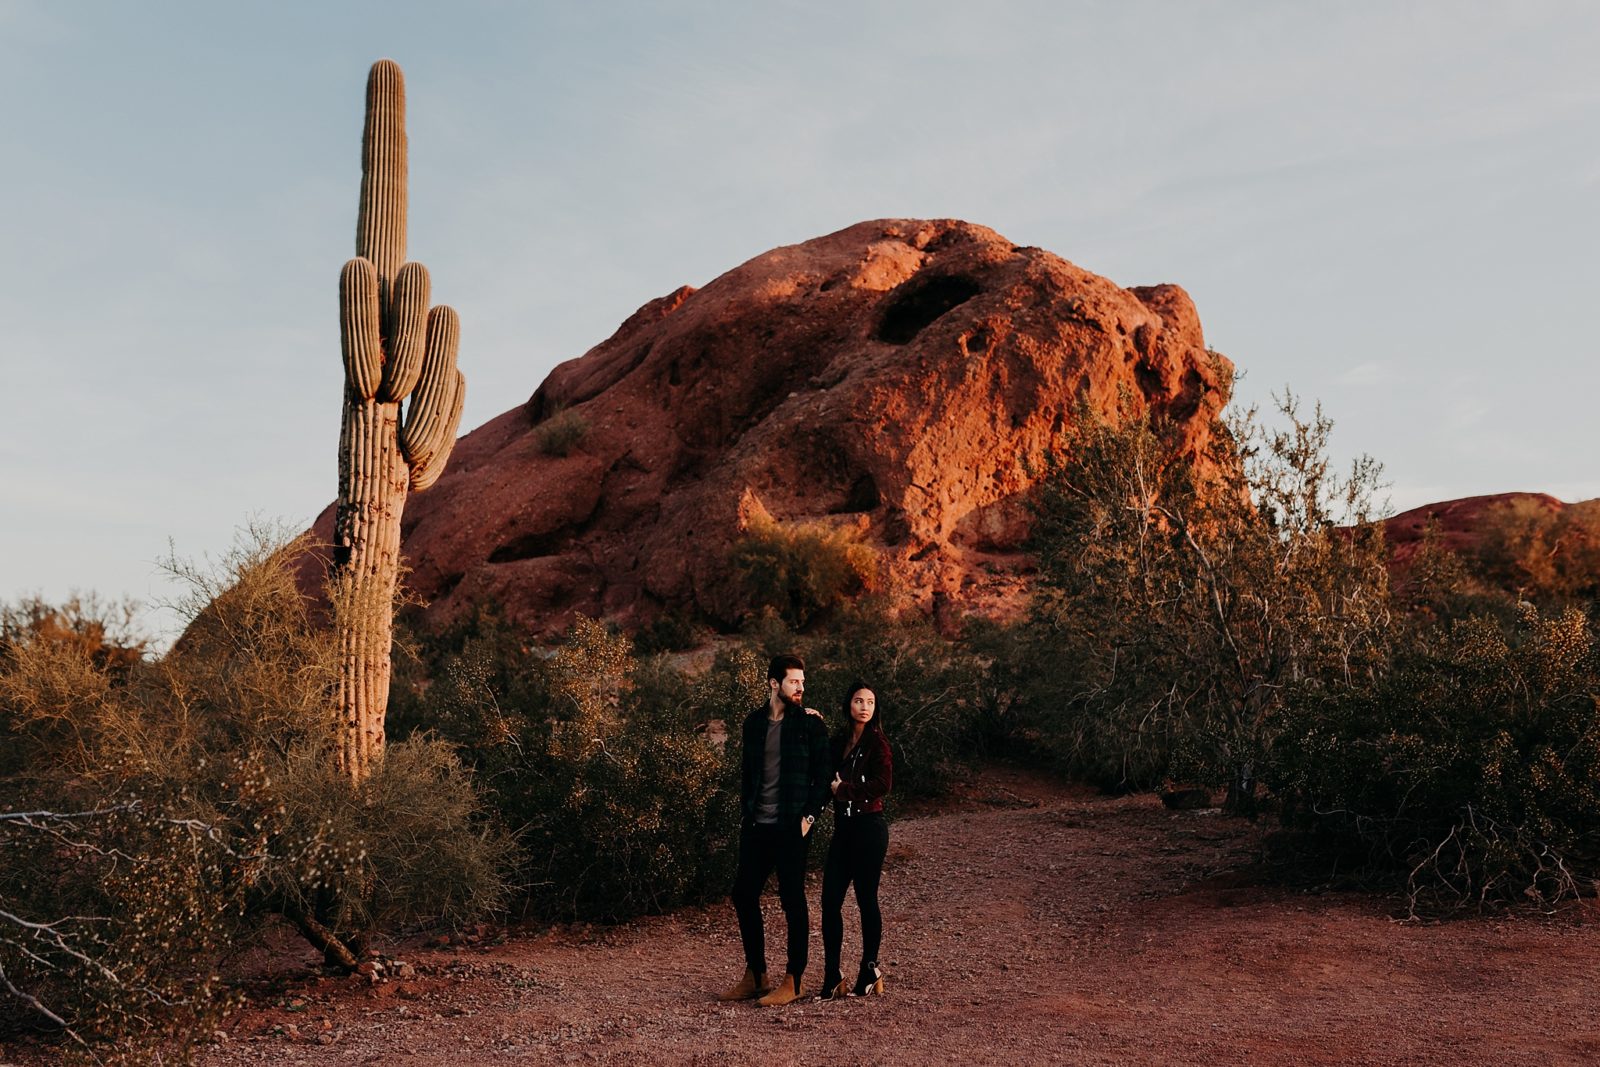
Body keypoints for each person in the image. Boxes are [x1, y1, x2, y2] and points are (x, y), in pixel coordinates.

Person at [718, 653, 831, 1007]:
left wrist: (809, 818)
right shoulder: (752, 724)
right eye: (794, 681)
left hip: (791, 827)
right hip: (757, 825)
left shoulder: (811, 724)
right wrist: (745, 814)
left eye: (802, 682)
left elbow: (823, 777)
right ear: (773, 683)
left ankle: (793, 979)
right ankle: (756, 975)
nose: (800, 687)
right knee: (743, 893)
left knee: (792, 899)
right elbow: (747, 775)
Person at [817, 680, 892, 999]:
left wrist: (844, 791)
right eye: (859, 700)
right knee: (829, 902)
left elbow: (883, 785)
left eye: (870, 702)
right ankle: (833, 974)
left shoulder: (878, 744)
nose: (864, 706)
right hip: (843, 829)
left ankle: (869, 968)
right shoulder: (838, 742)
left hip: (869, 828)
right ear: (848, 704)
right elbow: (821, 771)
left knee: (866, 899)